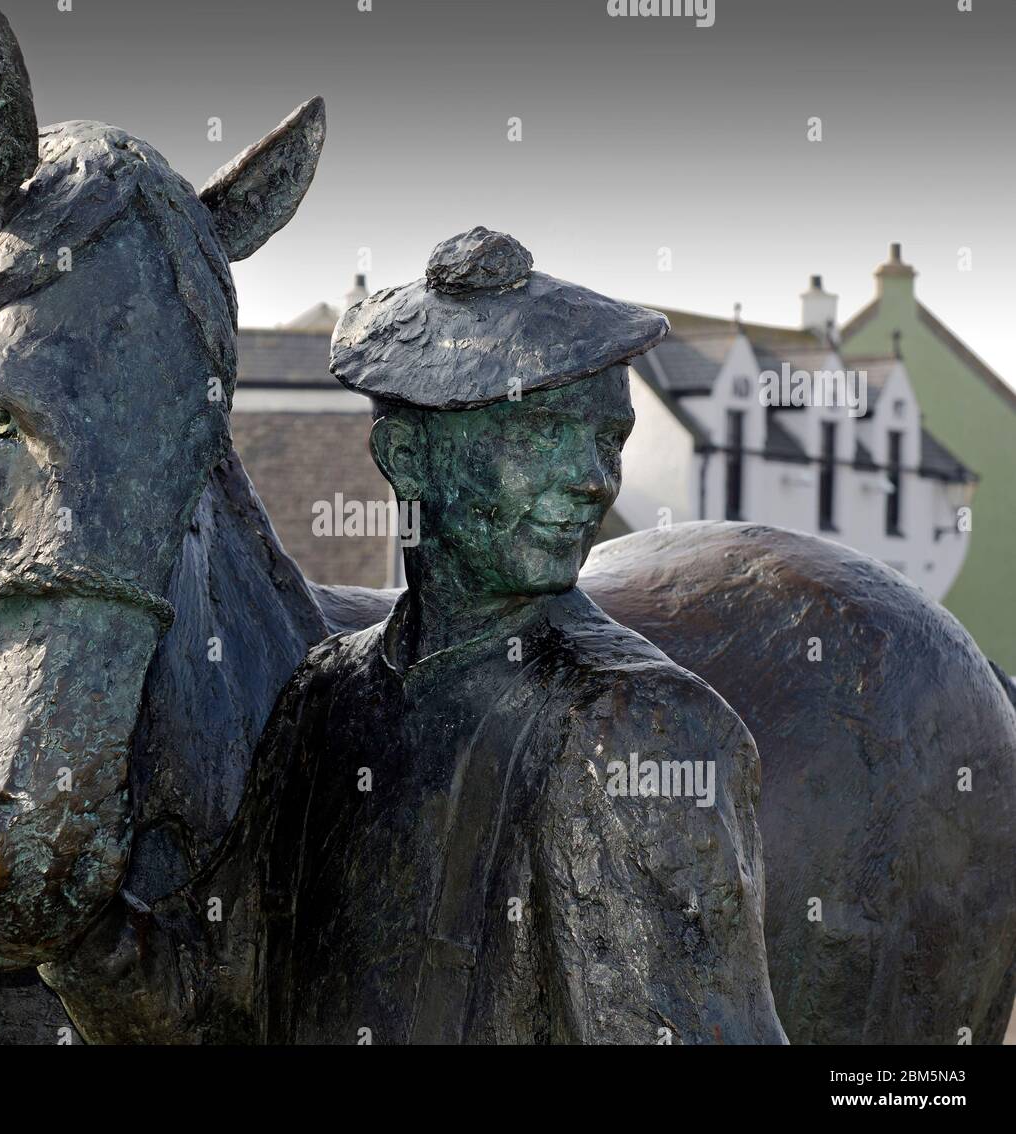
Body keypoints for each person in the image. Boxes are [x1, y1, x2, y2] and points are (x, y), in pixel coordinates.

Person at [41, 227, 786, 1044]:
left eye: (608, 439)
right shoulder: (323, 699)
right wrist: (76, 929)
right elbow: (213, 1005)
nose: (592, 479)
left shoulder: (639, 730)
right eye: (541, 434)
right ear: (406, 456)